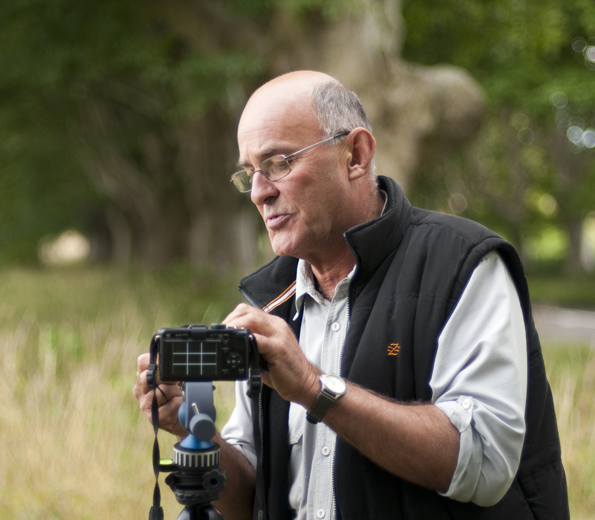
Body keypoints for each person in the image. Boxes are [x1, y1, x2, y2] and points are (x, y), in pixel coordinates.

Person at [134, 71, 569, 520]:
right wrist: (194, 429)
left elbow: (485, 465)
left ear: (355, 155)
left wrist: (312, 387)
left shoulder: (462, 263)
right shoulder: (271, 304)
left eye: (279, 162)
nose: (260, 192)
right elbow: (251, 501)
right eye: (250, 174)